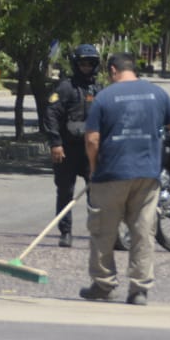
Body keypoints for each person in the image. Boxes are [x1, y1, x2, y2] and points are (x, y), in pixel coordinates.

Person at [79, 52, 170, 305]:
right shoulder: (156, 93)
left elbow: (92, 139)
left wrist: (93, 168)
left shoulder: (104, 97)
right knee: (142, 232)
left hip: (110, 174)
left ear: (113, 70)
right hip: (147, 175)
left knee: (103, 231)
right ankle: (139, 290)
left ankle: (103, 285)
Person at [44, 44, 102, 248]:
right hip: (67, 150)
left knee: (96, 193)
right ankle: (65, 232)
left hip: (90, 150)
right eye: (83, 63)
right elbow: (51, 115)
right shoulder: (65, 88)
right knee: (65, 192)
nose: (86, 67)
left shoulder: (99, 90)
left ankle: (96, 233)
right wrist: (55, 143)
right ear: (76, 64)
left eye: (90, 63)